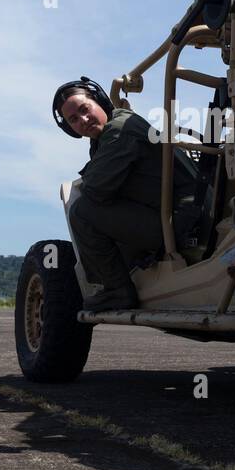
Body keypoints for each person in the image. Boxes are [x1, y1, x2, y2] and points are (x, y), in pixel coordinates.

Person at [52, 77, 200, 311]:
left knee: (83, 211)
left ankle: (117, 291)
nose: (83, 120)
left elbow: (96, 191)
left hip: (181, 220)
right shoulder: (108, 134)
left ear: (100, 102)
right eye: (73, 119)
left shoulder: (119, 129)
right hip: (177, 213)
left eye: (84, 109)